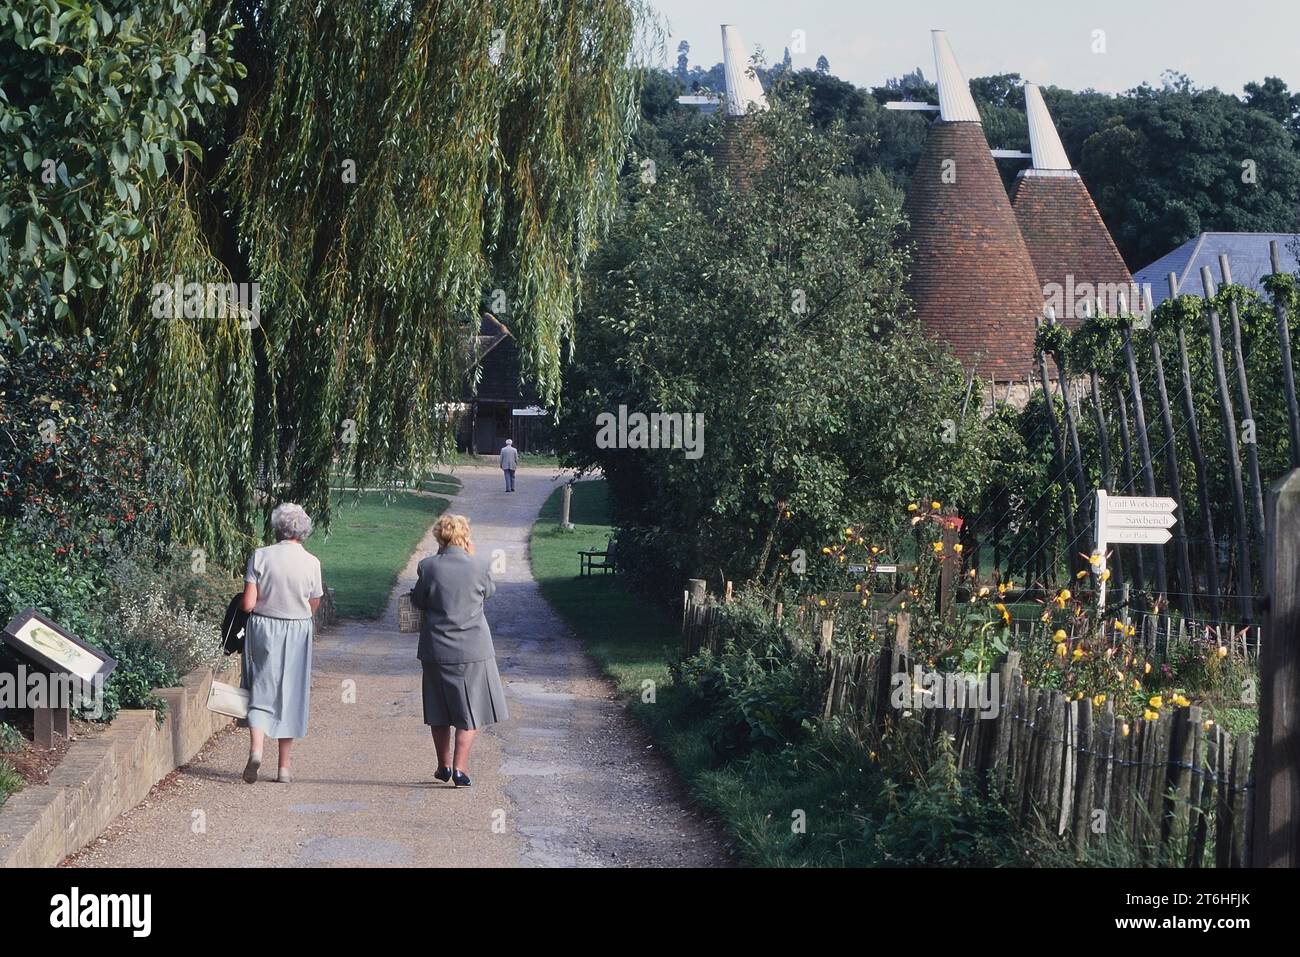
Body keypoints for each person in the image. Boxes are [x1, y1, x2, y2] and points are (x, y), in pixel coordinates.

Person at [410, 513, 508, 787]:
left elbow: (418, 599)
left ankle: (443, 765)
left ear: (439, 537)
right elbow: (488, 592)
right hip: (473, 648)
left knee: (439, 707)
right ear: (465, 536)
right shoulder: (480, 565)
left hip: (435, 648)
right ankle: (460, 768)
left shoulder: (427, 566)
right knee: (470, 708)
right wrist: (472, 556)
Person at [239, 503, 322, 784]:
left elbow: (248, 604)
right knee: (292, 692)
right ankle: (284, 768)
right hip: (297, 630)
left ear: (277, 528)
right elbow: (313, 603)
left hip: (264, 627)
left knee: (260, 687)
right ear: (303, 532)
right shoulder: (312, 562)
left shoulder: (261, 556)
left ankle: (256, 749)